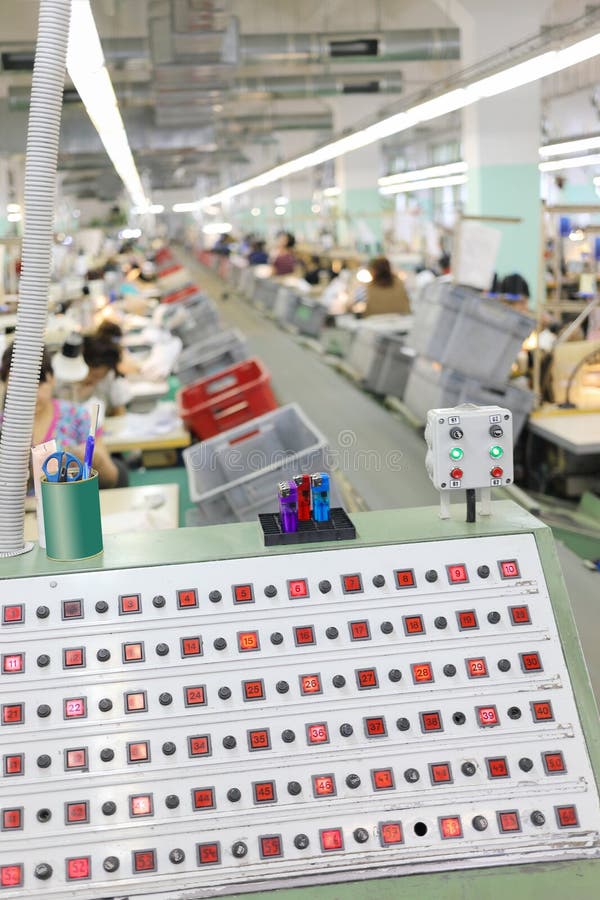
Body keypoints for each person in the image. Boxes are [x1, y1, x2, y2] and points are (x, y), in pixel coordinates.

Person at [0, 344, 120, 488]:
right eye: (19, 386)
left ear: (52, 379)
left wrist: (93, 459)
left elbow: (111, 478)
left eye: (39, 383)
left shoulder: (77, 416)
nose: (30, 394)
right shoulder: (4, 426)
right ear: (5, 385)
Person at [79, 332, 132, 417]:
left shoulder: (111, 379)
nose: (92, 379)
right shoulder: (65, 380)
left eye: (98, 376)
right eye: (91, 374)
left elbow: (120, 412)